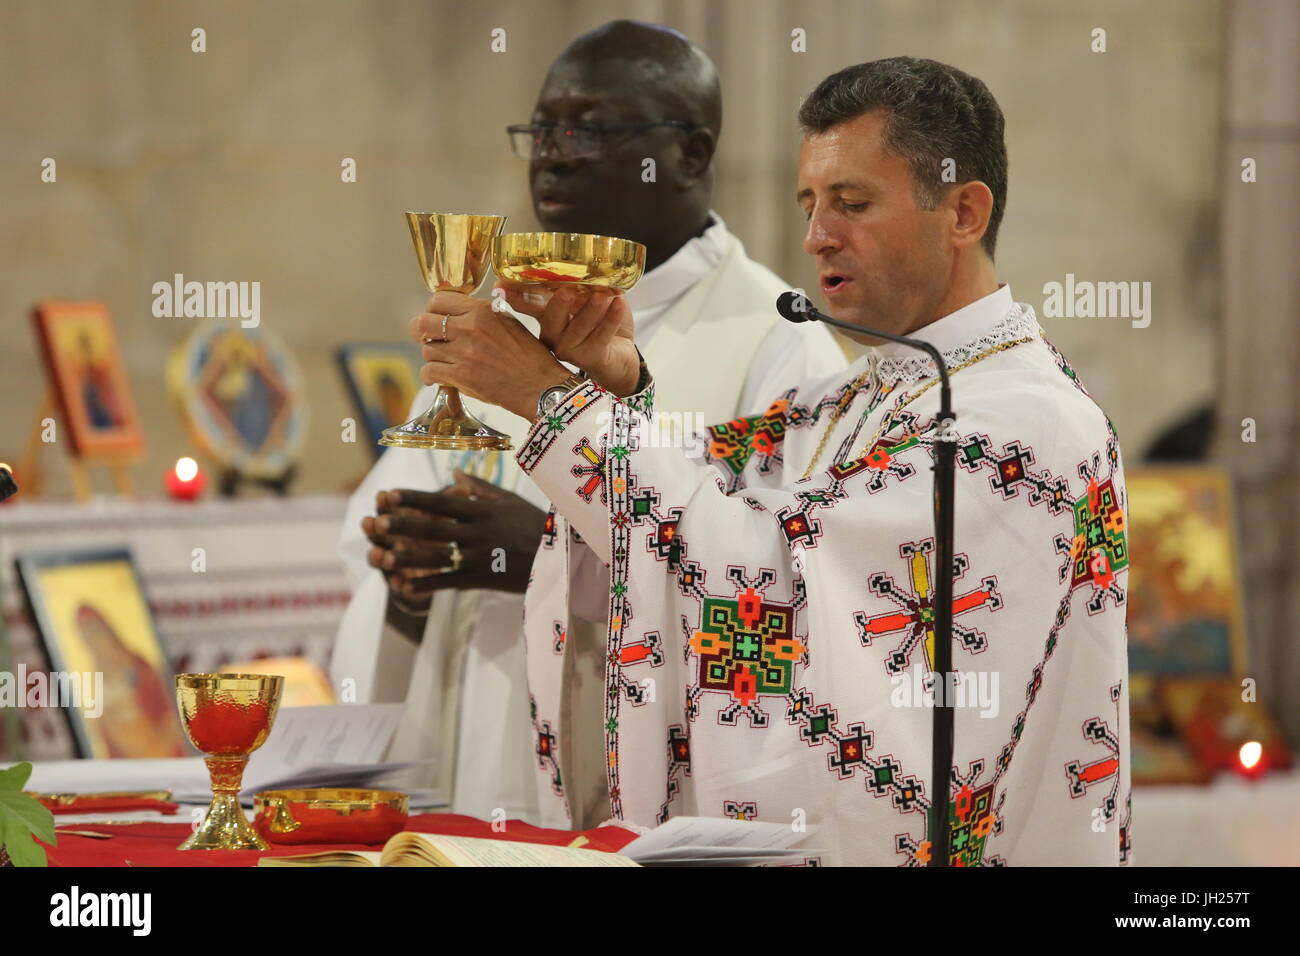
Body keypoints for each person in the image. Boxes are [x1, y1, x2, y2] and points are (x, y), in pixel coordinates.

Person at [409, 57, 1132, 866]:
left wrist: (550, 400)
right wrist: (618, 393)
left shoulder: (1024, 425)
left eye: (852, 203)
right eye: (810, 204)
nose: (818, 234)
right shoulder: (877, 388)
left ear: (963, 211)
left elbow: (764, 583)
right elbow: (723, 497)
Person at [330, 21, 846, 823]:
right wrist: (406, 554)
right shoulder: (503, 320)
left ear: (692, 154)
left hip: (641, 797)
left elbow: (780, 602)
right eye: (543, 128)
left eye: (593, 129)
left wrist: (539, 552)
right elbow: (375, 532)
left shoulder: (781, 344)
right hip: (471, 749)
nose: (555, 153)